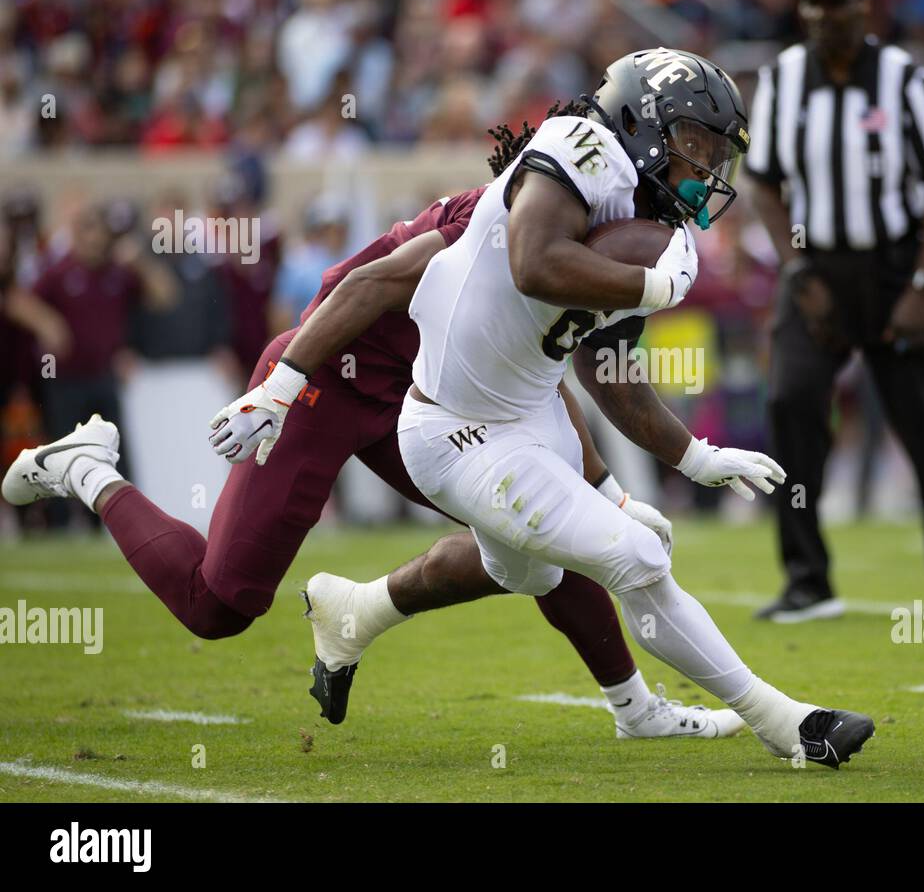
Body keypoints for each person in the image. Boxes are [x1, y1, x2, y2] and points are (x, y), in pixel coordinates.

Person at [1, 108, 744, 741]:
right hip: (325, 378)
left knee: (552, 528)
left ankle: (633, 708)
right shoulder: (494, 229)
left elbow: (536, 388)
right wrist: (283, 387)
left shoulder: (564, 233)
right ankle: (86, 469)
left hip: (424, 404)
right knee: (217, 605)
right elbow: (363, 283)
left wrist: (608, 494)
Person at [278, 48, 875, 768]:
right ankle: (788, 724)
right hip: (455, 430)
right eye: (697, 143)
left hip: (532, 414)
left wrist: (694, 458)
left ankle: (356, 611)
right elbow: (533, 263)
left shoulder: (643, 218)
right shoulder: (579, 146)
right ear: (642, 122)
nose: (707, 168)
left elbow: (607, 372)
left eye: (719, 153)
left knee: (527, 572)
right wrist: (649, 287)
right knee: (637, 556)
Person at [745, 0, 924, 620]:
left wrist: (921, 285)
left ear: (863, 7)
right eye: (813, 2)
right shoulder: (784, 78)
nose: (822, 15)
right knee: (791, 401)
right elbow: (762, 184)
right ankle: (807, 579)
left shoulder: (904, 77)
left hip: (894, 269)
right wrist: (797, 271)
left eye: (835, 2)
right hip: (817, 270)